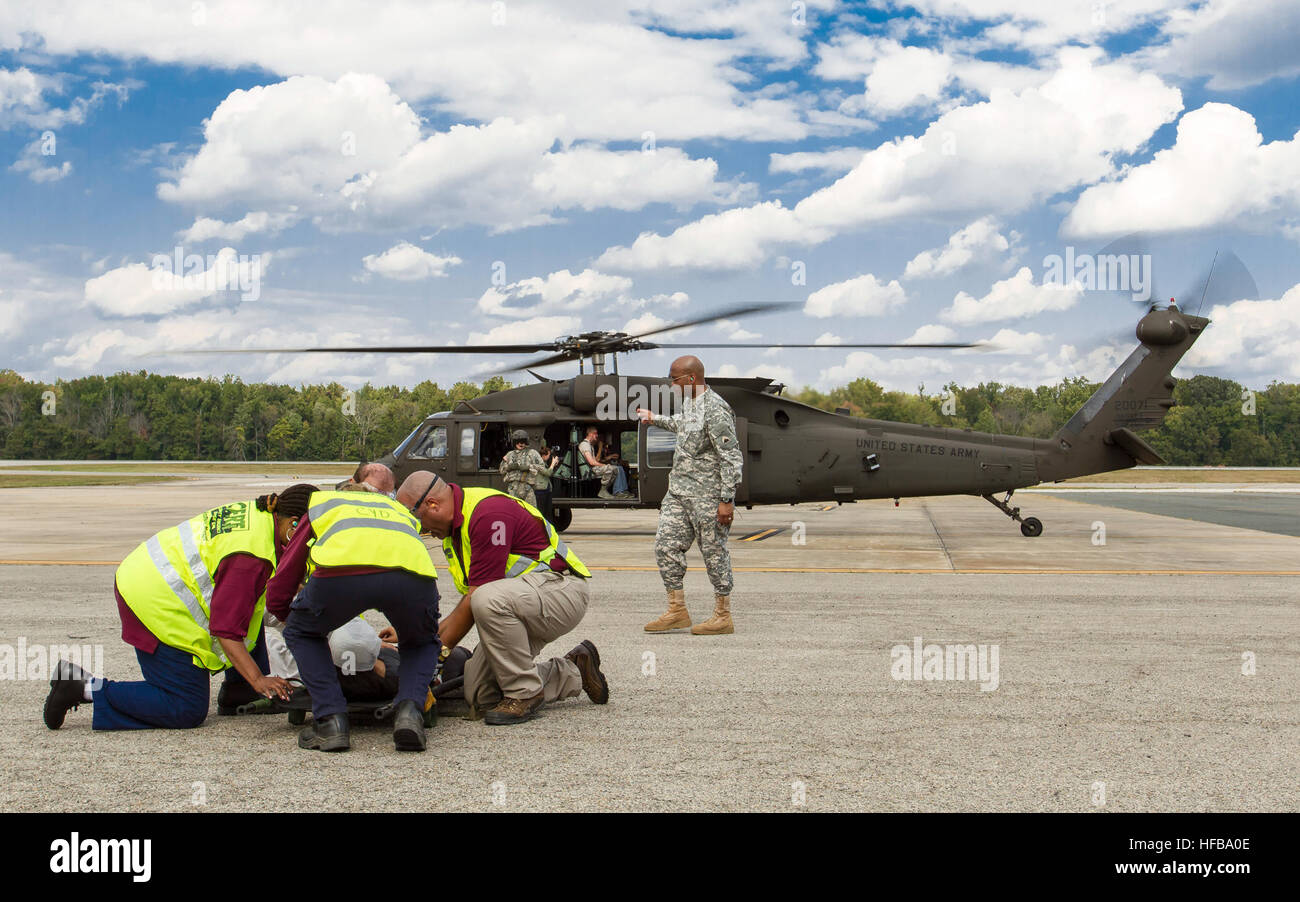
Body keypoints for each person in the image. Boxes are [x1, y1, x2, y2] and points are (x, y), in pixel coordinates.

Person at [43, 484, 319, 731]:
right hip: (152, 599)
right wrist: (259, 679)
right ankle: (82, 687)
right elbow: (225, 630)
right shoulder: (250, 558)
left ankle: (240, 692)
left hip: (150, 573)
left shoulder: (264, 518)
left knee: (247, 614)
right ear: (294, 525)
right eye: (313, 536)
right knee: (185, 707)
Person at [396, 471, 608, 725]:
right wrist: (419, 634)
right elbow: (466, 603)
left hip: (560, 591)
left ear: (432, 504)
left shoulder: (487, 513)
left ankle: (524, 693)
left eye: (418, 519)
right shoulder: (455, 533)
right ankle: (575, 671)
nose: (423, 530)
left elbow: (478, 597)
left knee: (486, 598)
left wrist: (435, 655)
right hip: (522, 603)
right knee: (481, 694)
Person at [264, 487, 441, 752]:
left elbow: (288, 573)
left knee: (302, 633)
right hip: (413, 576)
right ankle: (409, 712)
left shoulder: (323, 503)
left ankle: (331, 721)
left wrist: (288, 613)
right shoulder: (396, 509)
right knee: (421, 642)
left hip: (341, 574)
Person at [636, 355, 742, 635]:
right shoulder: (691, 403)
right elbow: (682, 424)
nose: (671, 384)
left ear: (691, 378)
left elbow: (731, 457)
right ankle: (677, 611)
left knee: (713, 553)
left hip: (707, 497)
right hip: (679, 492)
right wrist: (654, 418)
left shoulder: (716, 409)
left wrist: (726, 500)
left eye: (674, 379)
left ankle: (723, 616)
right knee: (665, 546)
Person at [499, 429, 543, 507]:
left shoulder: (532, 453)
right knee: (514, 512)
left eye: (523, 441)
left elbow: (542, 467)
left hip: (527, 487)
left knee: (531, 512)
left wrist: (529, 467)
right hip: (513, 489)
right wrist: (508, 467)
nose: (521, 444)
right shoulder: (510, 455)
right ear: (515, 442)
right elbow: (501, 470)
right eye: (518, 441)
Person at [579, 426, 620, 500]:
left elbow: (595, 461)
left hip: (593, 468)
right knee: (610, 468)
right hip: (588, 471)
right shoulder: (585, 445)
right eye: (595, 433)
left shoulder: (589, 445)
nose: (597, 436)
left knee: (615, 469)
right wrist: (604, 465)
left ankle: (604, 490)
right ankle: (603, 491)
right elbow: (591, 462)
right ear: (590, 434)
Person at [534, 444, 561, 524]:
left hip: (546, 490)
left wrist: (554, 465)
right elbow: (548, 473)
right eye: (549, 455)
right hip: (540, 491)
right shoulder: (538, 463)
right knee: (541, 511)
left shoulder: (544, 463)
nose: (549, 457)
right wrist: (552, 463)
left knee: (548, 512)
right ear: (543, 455)